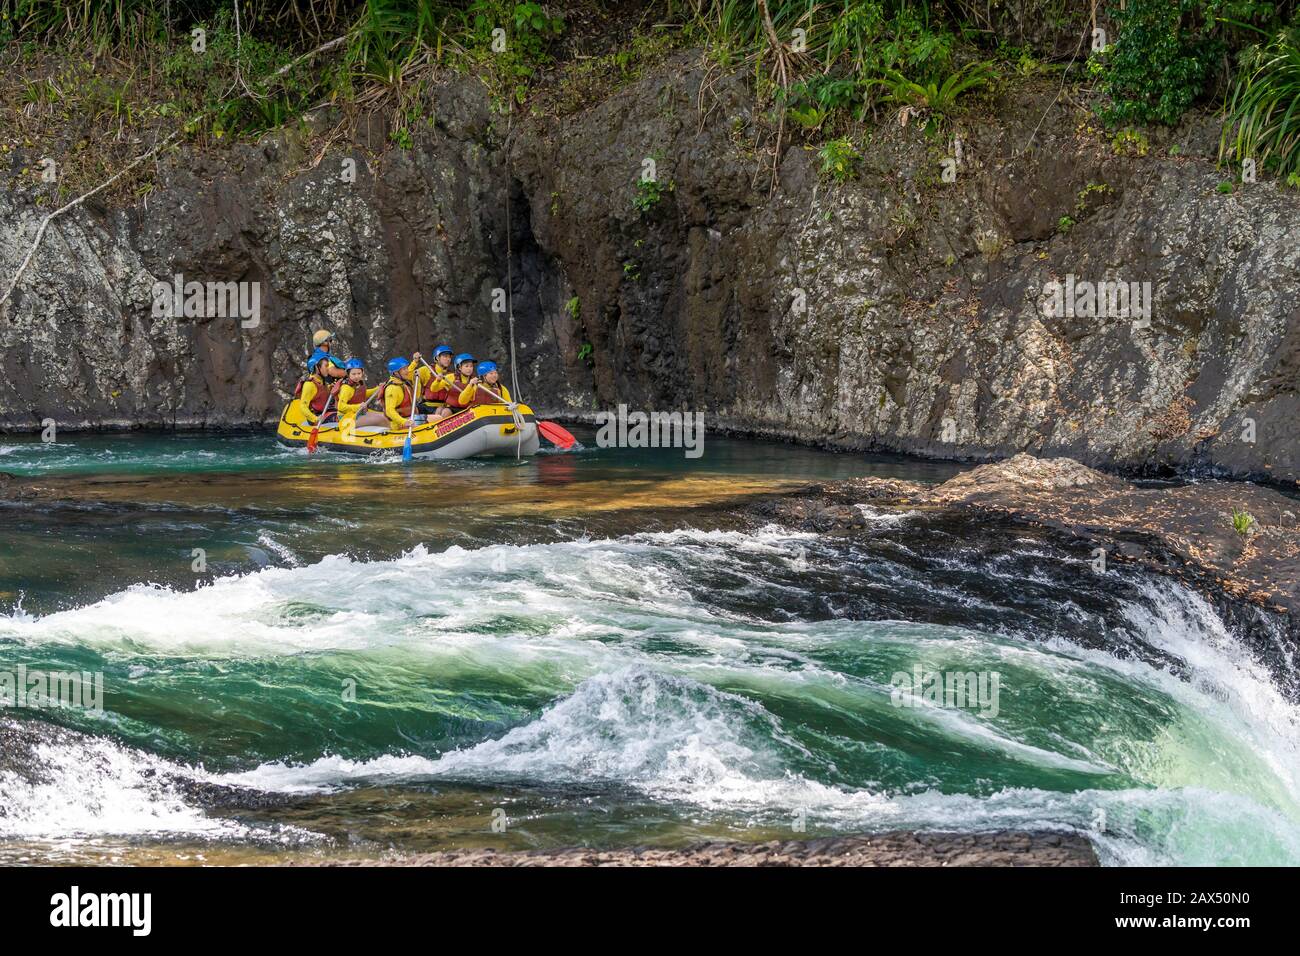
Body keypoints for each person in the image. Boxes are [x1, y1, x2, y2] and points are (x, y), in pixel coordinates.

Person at [292, 350, 343, 424]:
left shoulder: (321, 381)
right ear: (316, 367)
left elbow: (321, 393)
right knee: (343, 417)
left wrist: (330, 388)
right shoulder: (309, 385)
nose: (328, 368)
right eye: (326, 366)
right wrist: (315, 419)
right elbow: (303, 406)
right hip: (318, 416)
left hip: (327, 411)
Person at [337, 359, 387, 428]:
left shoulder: (358, 383)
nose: (357, 376)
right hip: (346, 418)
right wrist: (358, 406)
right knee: (380, 420)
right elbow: (341, 407)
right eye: (353, 374)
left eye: (359, 373)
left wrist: (377, 389)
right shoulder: (346, 388)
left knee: (385, 416)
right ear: (348, 374)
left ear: (362, 372)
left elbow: (362, 394)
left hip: (358, 413)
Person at [380, 355, 425, 431]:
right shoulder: (392, 388)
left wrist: (416, 381)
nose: (407, 371)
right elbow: (389, 411)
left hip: (410, 417)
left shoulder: (403, 383)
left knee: (438, 418)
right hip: (400, 423)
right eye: (404, 369)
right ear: (396, 373)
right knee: (437, 418)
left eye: (406, 368)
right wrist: (404, 422)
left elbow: (416, 398)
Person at [418, 345, 458, 419]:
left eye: (449, 357)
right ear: (437, 358)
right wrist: (415, 361)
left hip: (442, 407)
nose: (448, 359)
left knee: (442, 411)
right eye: (445, 356)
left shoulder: (452, 375)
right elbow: (409, 375)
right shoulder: (426, 370)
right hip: (426, 406)